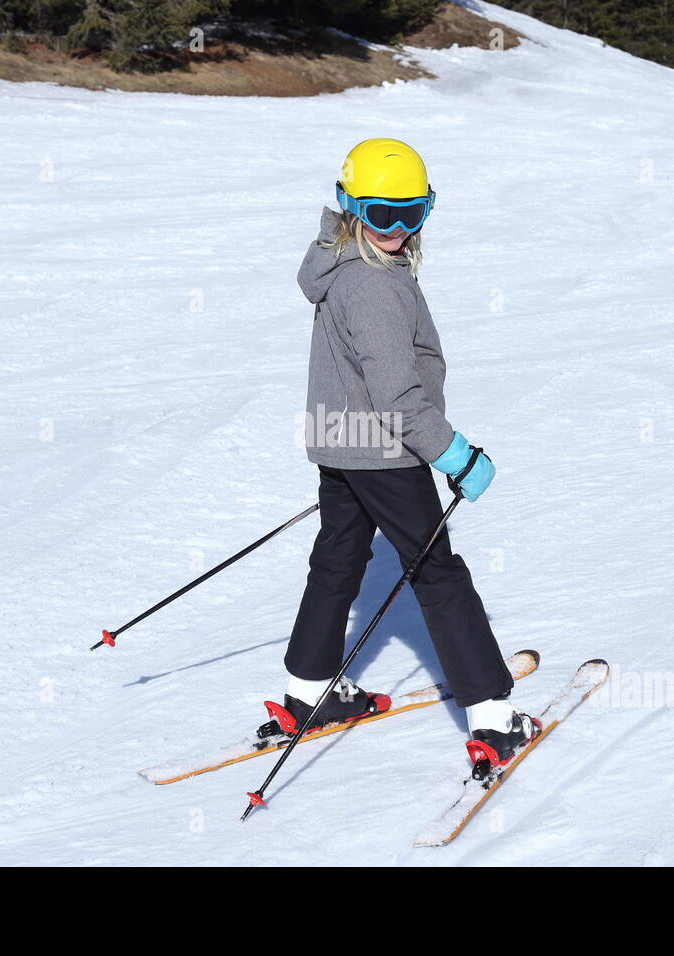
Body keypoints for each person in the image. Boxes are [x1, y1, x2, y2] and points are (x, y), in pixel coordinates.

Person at [263, 137, 538, 766]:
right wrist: (456, 455)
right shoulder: (377, 287)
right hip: (383, 451)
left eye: (411, 214)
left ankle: (307, 690)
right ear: (350, 207)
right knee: (438, 574)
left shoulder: (334, 263)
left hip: (339, 442)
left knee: (338, 559)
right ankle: (496, 719)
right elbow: (397, 395)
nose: (396, 230)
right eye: (381, 214)